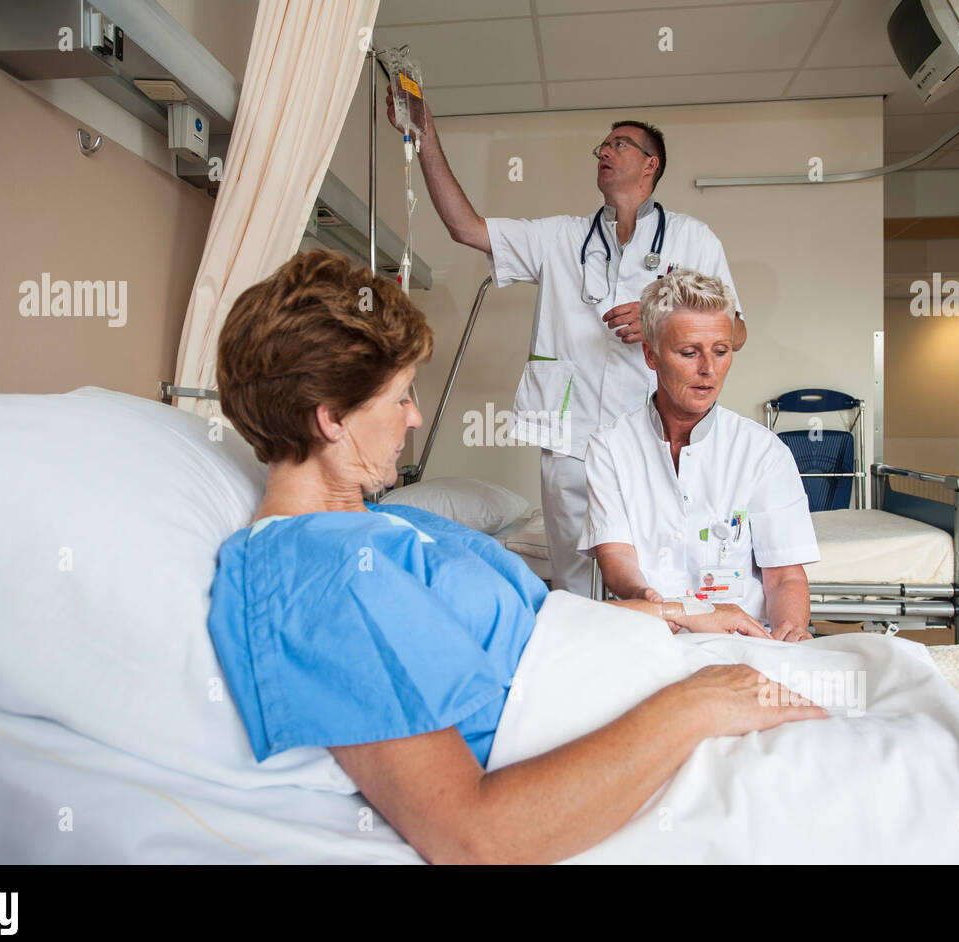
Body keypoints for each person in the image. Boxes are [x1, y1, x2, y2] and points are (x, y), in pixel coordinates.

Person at [206, 249, 824, 865]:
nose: (415, 416)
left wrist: (682, 618)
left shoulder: (388, 522)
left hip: (659, 673)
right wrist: (696, 705)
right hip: (641, 728)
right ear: (331, 419)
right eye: (399, 399)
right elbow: (476, 837)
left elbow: (542, 624)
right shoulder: (320, 578)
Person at [387, 91, 746, 597]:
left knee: (652, 580)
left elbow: (736, 330)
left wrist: (662, 323)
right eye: (600, 145)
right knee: (575, 583)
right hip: (569, 437)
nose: (604, 151)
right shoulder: (560, 238)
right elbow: (464, 227)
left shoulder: (692, 238)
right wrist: (422, 133)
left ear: (651, 164)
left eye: (618, 144)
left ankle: (656, 667)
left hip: (653, 435)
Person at [578, 269, 819, 643]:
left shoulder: (762, 452)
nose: (708, 369)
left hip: (744, 645)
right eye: (689, 353)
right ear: (651, 355)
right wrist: (652, 604)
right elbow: (616, 558)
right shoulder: (610, 446)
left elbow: (784, 575)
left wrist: (791, 631)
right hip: (651, 636)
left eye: (720, 351)